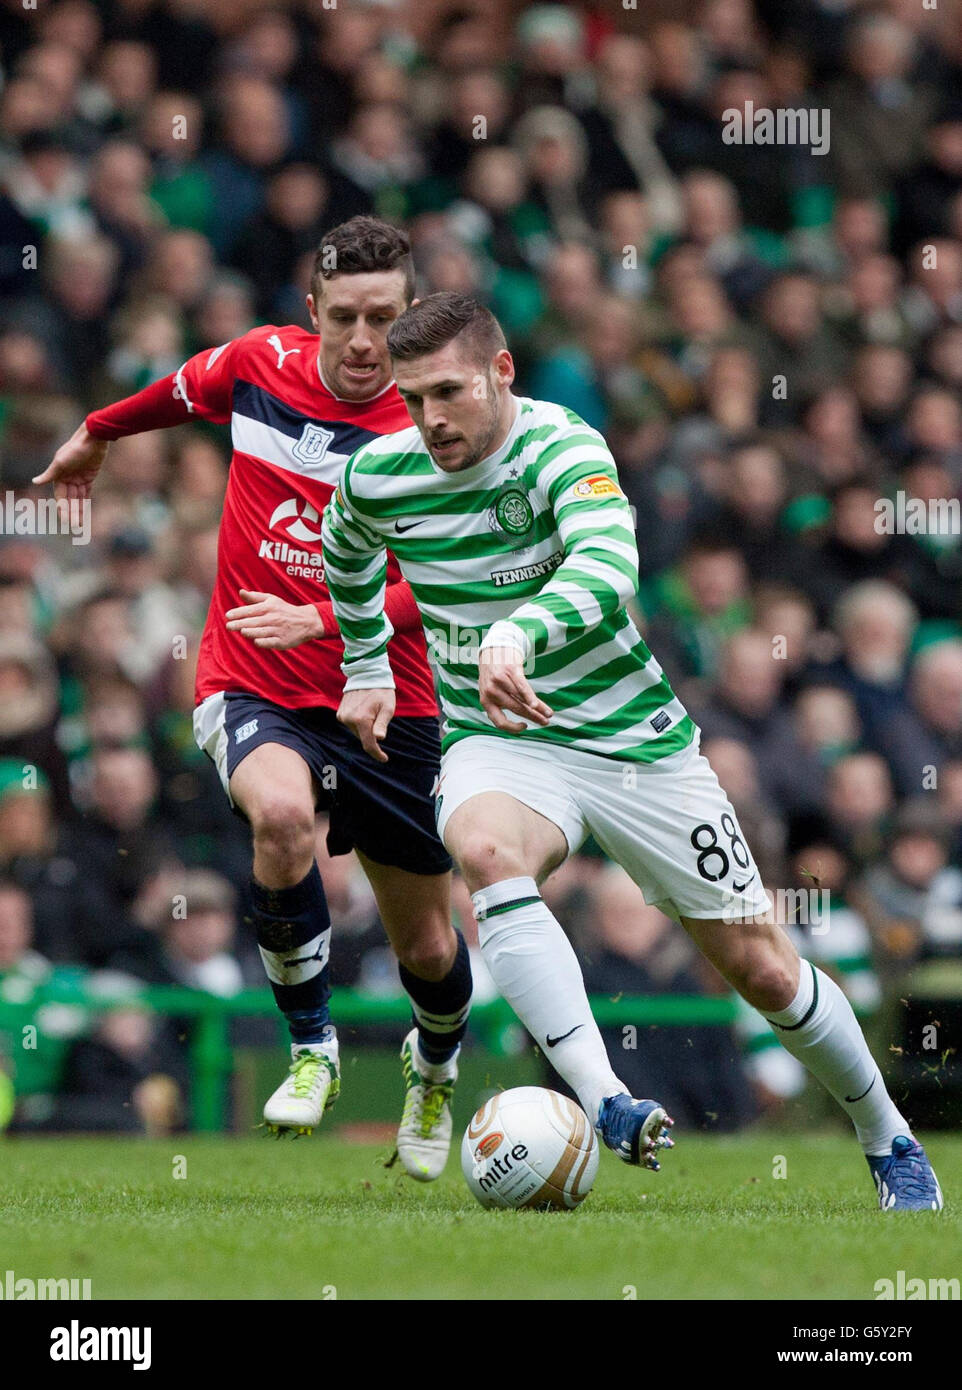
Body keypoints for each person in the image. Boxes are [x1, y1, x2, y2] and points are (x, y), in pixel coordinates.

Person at [320, 290, 942, 1210]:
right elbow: (346, 549)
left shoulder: (562, 444)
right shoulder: (382, 475)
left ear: (501, 373)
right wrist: (368, 664)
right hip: (502, 739)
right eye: (412, 400)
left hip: (631, 744)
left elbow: (610, 565)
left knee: (762, 966)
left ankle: (886, 1133)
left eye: (447, 392)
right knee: (485, 853)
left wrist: (517, 633)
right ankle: (607, 1100)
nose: (430, 418)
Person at [32, 218, 473, 1181]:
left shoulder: (431, 429)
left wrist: (319, 617)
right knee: (279, 817)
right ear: (313, 312)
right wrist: (98, 432)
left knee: (430, 948)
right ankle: (310, 1047)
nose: (364, 341)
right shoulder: (260, 363)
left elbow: (438, 585)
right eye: (347, 317)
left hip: (387, 699)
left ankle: (433, 1070)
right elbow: (182, 390)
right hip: (252, 678)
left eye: (386, 321)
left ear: (410, 324)